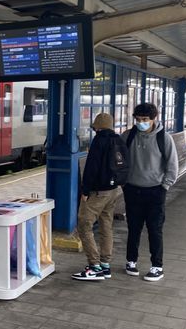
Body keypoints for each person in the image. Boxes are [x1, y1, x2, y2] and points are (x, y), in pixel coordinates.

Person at [122, 103, 178, 282]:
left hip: (155, 191)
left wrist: (165, 186)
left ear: (154, 119)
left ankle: (157, 266)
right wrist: (123, 183)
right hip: (132, 189)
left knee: (155, 229)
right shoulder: (128, 136)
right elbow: (119, 159)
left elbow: (172, 165)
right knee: (133, 228)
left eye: (145, 120)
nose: (140, 123)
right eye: (137, 120)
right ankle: (131, 261)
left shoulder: (164, 138)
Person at [72, 113, 126, 281]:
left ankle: (94, 266)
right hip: (114, 190)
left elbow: (91, 168)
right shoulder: (118, 140)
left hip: (99, 192)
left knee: (84, 224)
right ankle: (105, 265)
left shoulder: (99, 140)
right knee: (106, 225)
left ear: (98, 127)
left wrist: (85, 191)